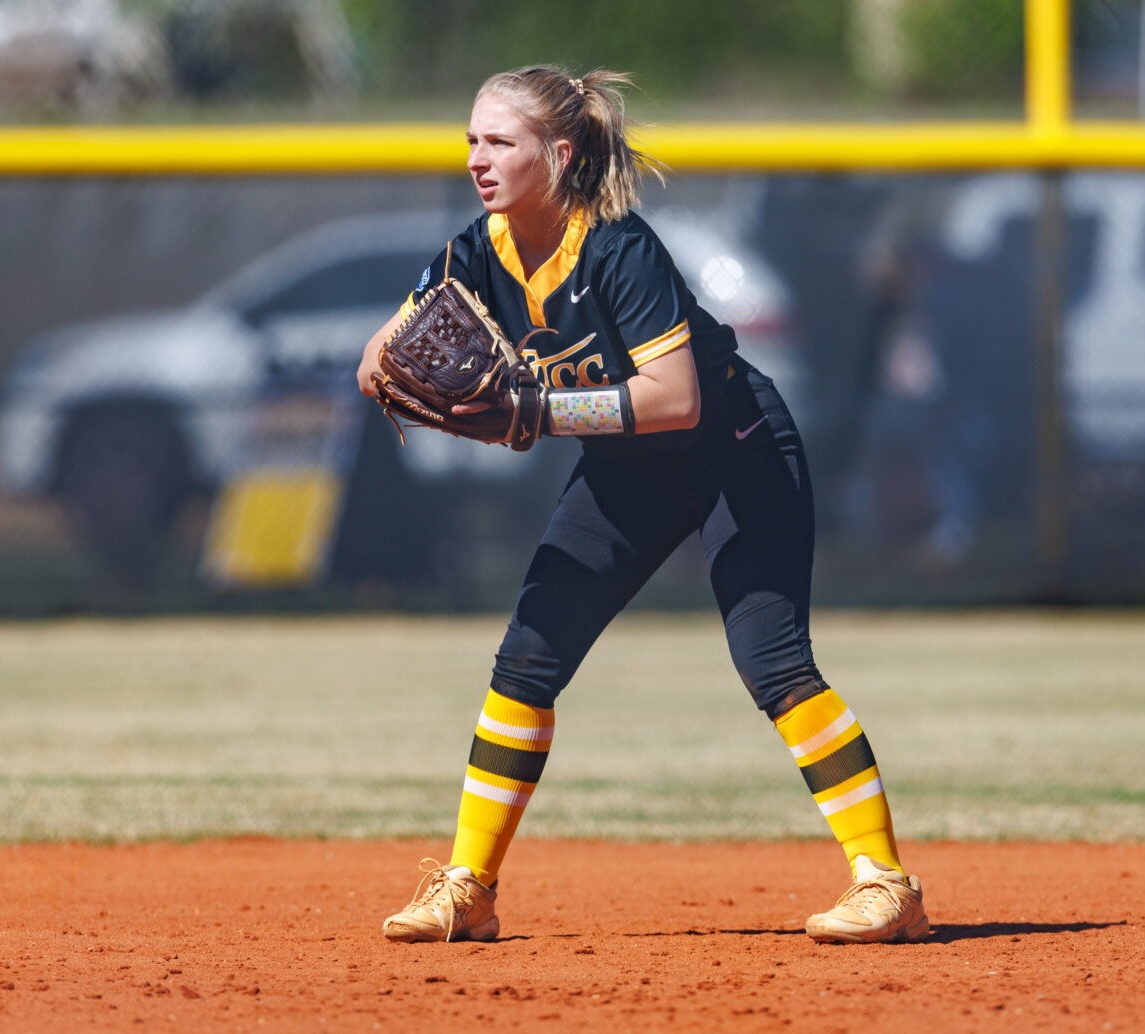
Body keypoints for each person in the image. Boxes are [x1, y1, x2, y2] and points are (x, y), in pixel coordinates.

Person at [357, 65, 929, 946]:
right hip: (628, 474)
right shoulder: (477, 250)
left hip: (737, 452)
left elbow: (676, 400)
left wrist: (530, 412)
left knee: (773, 665)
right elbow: (378, 355)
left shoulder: (618, 250)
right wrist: (397, 371)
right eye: (471, 139)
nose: (477, 158)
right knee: (527, 660)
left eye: (499, 142)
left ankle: (887, 884)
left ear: (560, 151)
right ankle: (468, 890)